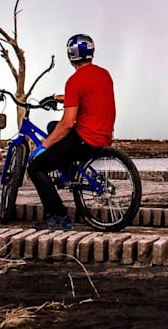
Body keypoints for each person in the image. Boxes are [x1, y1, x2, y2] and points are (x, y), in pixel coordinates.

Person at [26, 33, 116, 230]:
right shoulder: (104, 74)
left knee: (36, 167)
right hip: (103, 135)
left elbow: (67, 123)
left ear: (70, 55)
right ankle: (68, 172)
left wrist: (43, 145)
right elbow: (90, 94)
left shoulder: (74, 81)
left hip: (85, 140)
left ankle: (59, 217)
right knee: (51, 126)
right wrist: (62, 98)